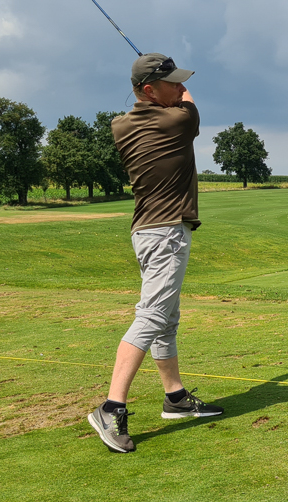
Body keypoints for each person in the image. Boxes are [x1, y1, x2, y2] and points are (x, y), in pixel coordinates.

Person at [88, 53, 222, 454]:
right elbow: (190, 106)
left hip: (146, 231)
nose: (181, 87)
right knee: (153, 315)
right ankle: (111, 407)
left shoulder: (120, 125)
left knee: (166, 315)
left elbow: (173, 96)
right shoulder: (177, 120)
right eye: (172, 82)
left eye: (181, 81)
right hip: (166, 232)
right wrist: (177, 90)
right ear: (148, 89)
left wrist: (161, 72)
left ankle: (175, 397)